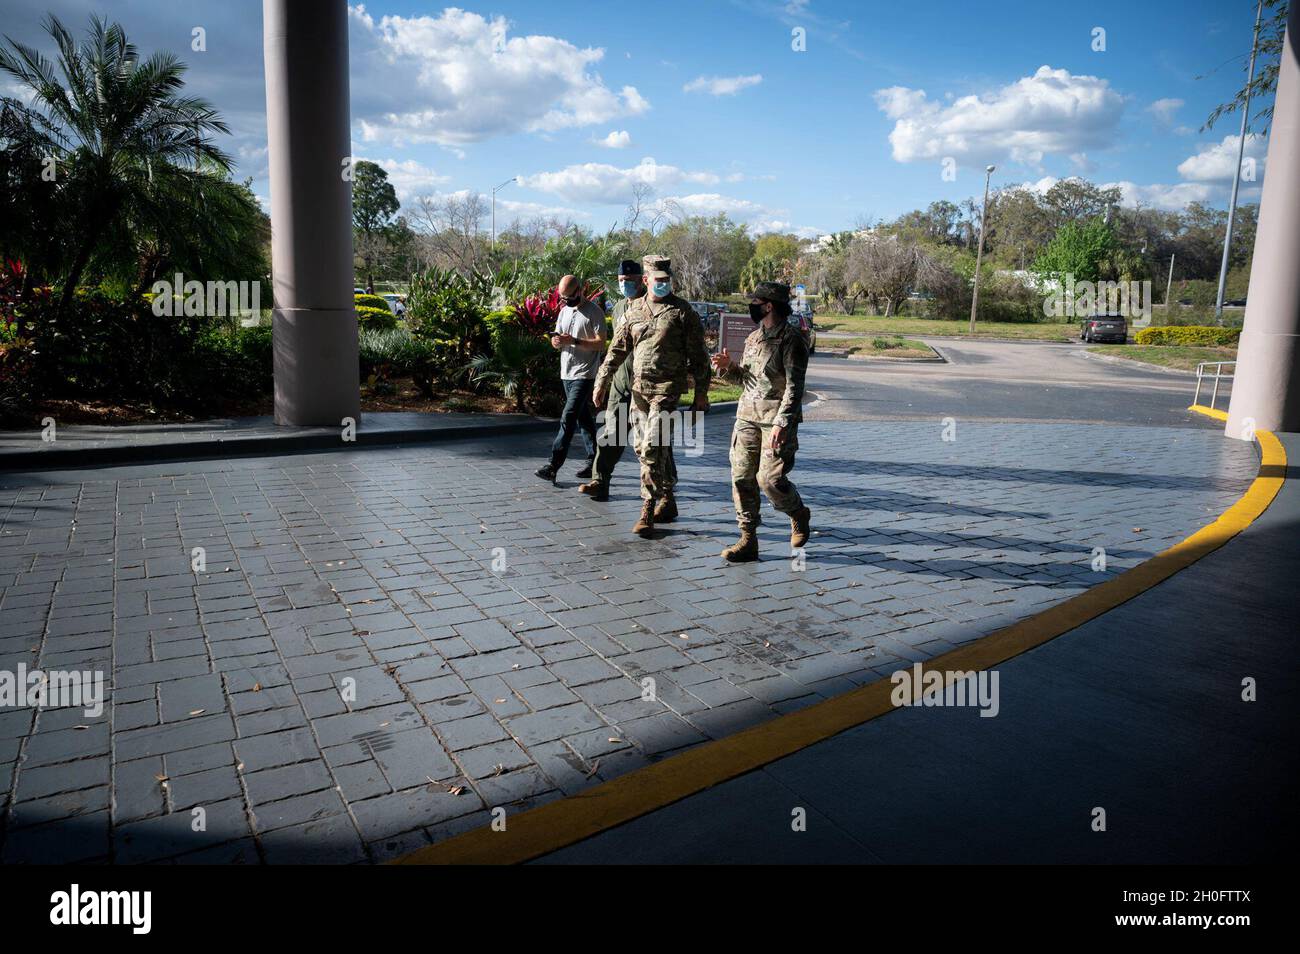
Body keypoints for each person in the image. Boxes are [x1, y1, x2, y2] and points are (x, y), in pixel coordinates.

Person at [593, 256, 710, 538]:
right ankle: (667, 498)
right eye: (658, 280)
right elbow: (616, 350)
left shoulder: (682, 311)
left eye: (666, 280)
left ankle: (647, 509)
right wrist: (601, 382)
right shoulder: (633, 311)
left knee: (651, 447)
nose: (663, 284)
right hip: (639, 391)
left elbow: (699, 356)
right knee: (646, 448)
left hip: (667, 390)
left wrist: (701, 394)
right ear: (645, 280)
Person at [710, 281, 811, 562]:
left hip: (775, 420)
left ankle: (797, 512)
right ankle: (748, 539)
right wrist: (728, 368)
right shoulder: (754, 338)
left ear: (768, 306)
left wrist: (782, 423)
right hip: (746, 417)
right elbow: (747, 380)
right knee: (741, 477)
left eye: (755, 302)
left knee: (769, 480)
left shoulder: (792, 340)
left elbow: (795, 388)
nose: (751, 306)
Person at [578, 260, 677, 502]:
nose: (625, 285)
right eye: (622, 280)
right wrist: (603, 380)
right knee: (611, 432)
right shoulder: (620, 307)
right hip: (622, 381)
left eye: (630, 281)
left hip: (651, 386)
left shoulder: (658, 305)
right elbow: (616, 346)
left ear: (642, 280)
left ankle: (666, 491)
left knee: (656, 441)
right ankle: (600, 481)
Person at [535, 274, 607, 483]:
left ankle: (553, 465)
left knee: (568, 416)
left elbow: (601, 343)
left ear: (580, 290)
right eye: (562, 298)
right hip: (566, 372)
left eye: (569, 297)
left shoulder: (595, 312)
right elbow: (557, 339)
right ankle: (595, 461)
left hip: (585, 374)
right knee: (583, 418)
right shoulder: (563, 311)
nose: (566, 301)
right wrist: (556, 342)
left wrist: (574, 340)